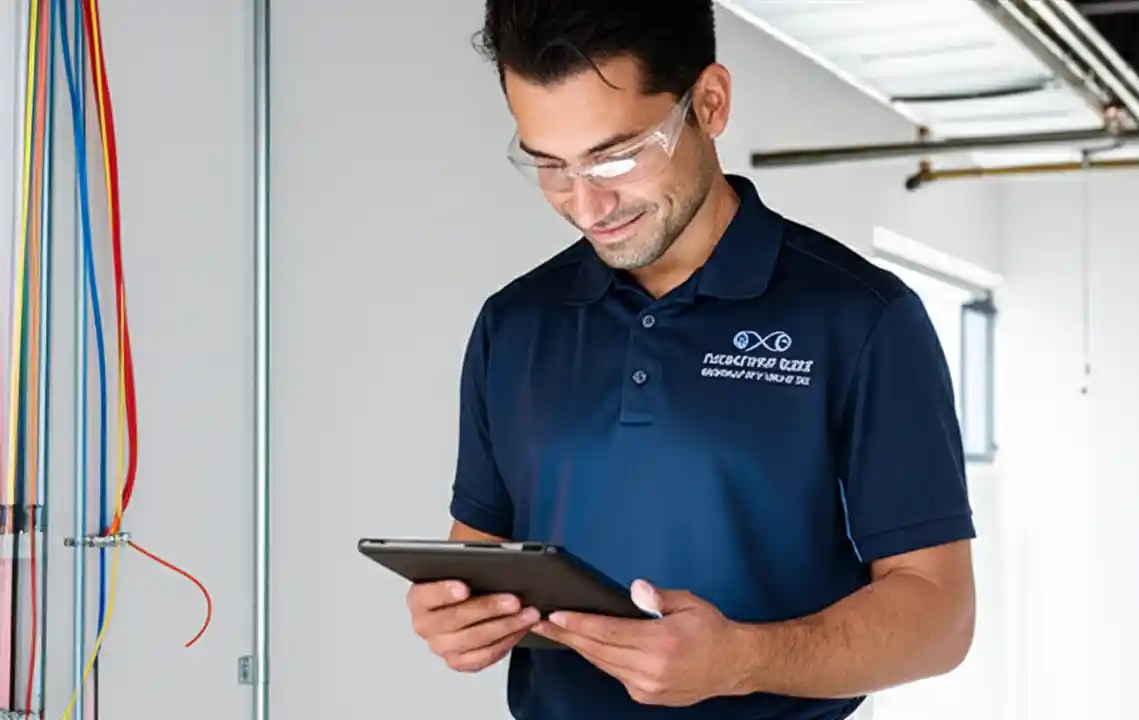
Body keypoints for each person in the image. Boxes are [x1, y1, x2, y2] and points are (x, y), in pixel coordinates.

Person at [406, 2, 977, 718]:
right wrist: (458, 620)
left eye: (616, 156)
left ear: (710, 102)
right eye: (551, 165)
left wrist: (743, 660)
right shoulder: (512, 324)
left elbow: (941, 618)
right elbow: (479, 557)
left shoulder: (862, 317)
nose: (587, 205)